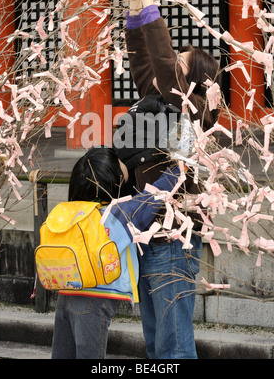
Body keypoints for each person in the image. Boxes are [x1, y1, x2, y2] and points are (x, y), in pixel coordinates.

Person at [117, 0, 221, 359]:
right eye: (176, 57)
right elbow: (144, 61)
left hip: (174, 241)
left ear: (195, 80)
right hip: (146, 236)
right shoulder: (160, 97)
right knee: (154, 340)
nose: (173, 61)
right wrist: (133, 5)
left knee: (174, 347)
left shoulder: (193, 108)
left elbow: (161, 63)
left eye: (182, 61)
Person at [51, 145, 183, 359]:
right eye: (117, 160)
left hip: (66, 293)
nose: (123, 160)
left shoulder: (72, 211)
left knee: (63, 354)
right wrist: (180, 165)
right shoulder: (122, 213)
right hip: (95, 298)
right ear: (114, 178)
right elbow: (158, 193)